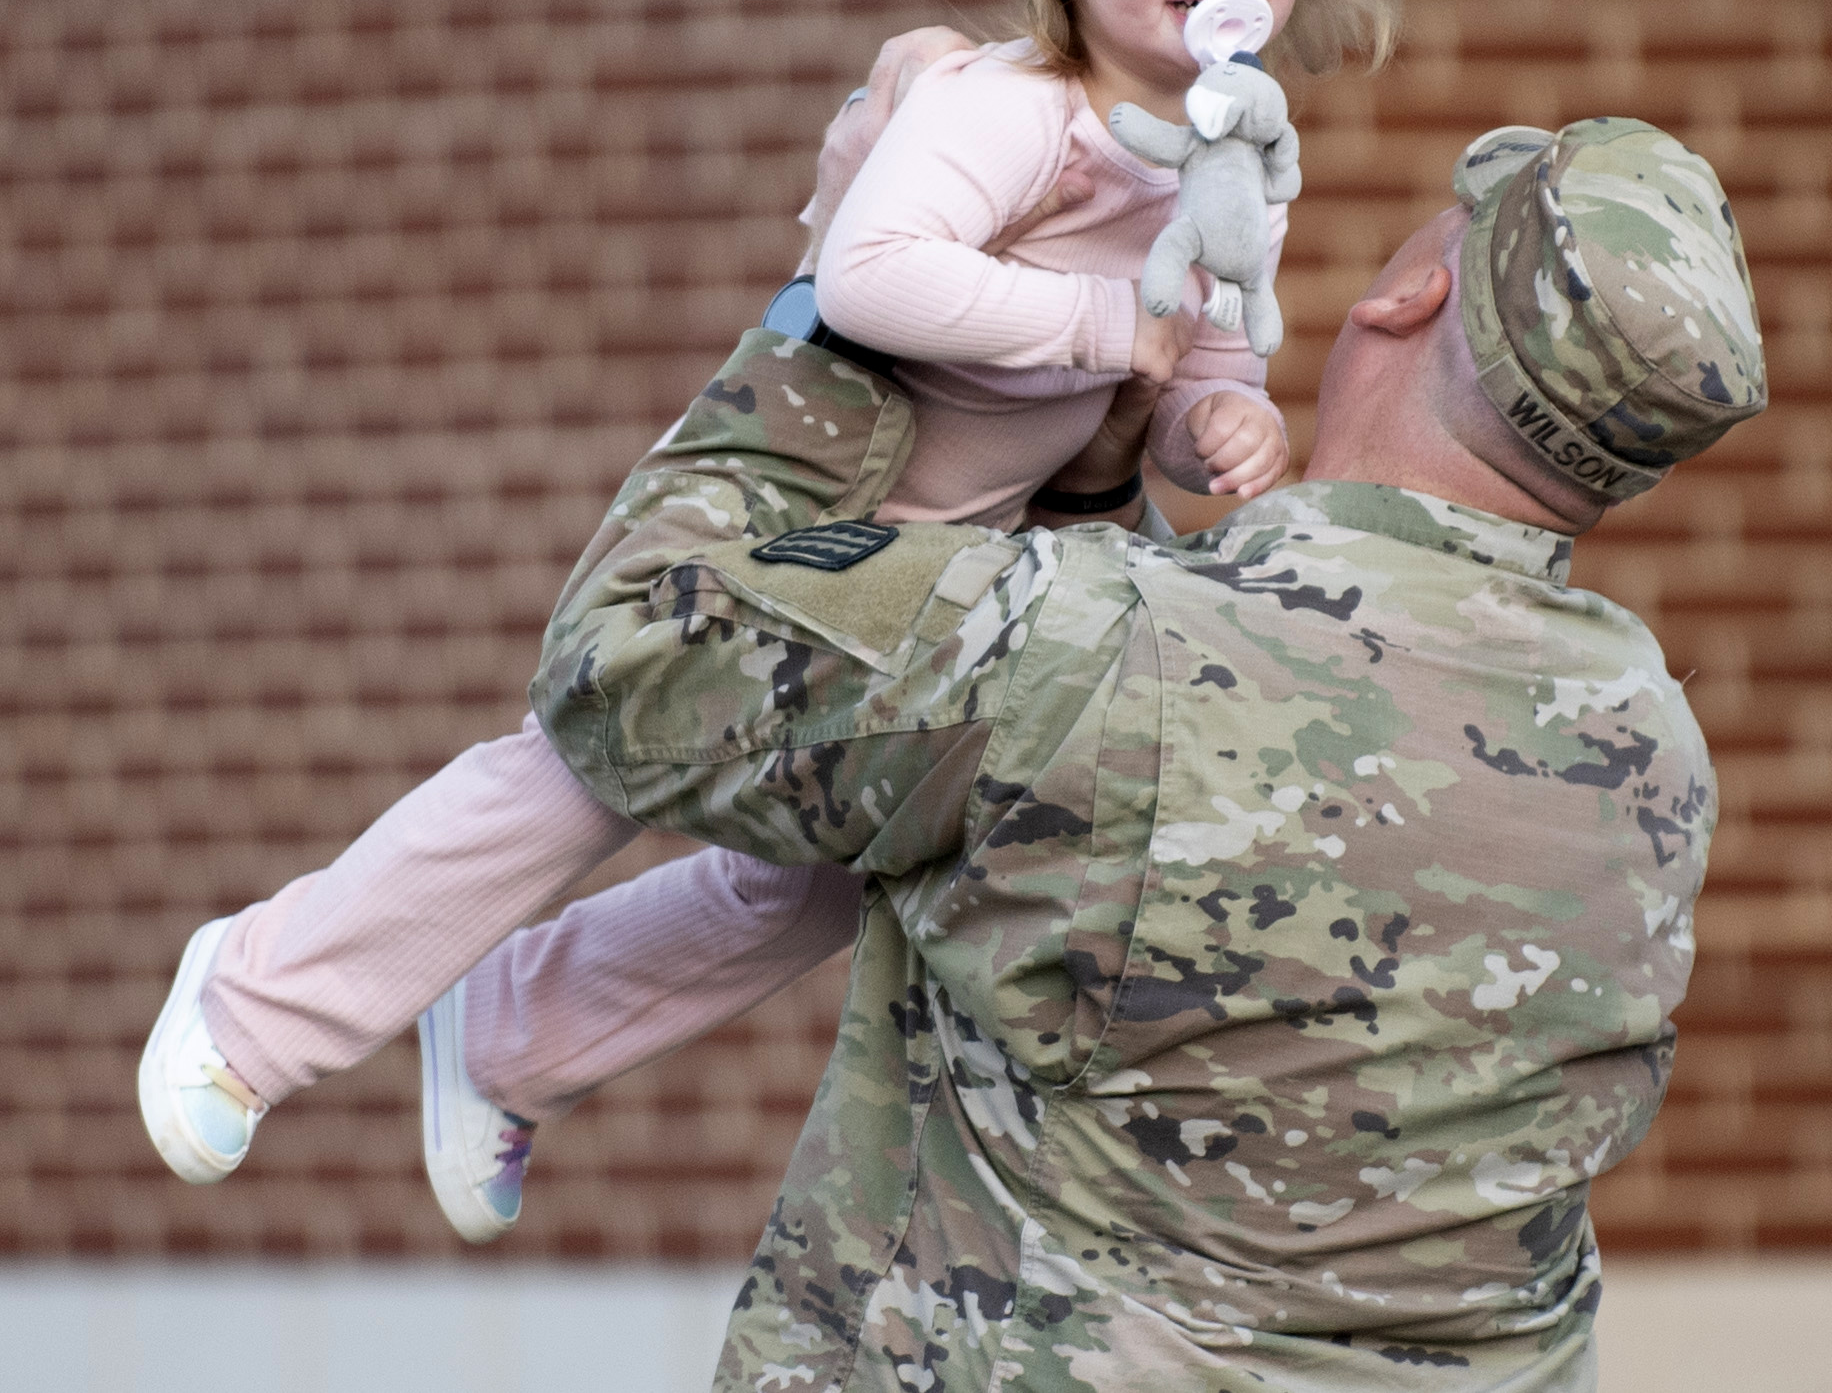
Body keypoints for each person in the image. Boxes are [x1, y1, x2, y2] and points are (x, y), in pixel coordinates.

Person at [137, 0, 1423, 1244]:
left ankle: (512, 1035)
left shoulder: (1235, 160)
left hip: (931, 568)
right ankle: (263, 996)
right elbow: (878, 275)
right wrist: (1103, 324)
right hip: (787, 493)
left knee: (831, 868)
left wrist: (1230, 429)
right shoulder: (1009, 109)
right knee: (598, 747)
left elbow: (1202, 367)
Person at [525, 113, 1766, 1389]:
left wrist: (838, 317)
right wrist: (1090, 505)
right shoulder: (1646, 745)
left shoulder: (1090, 646)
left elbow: (613, 665)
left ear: (1410, 293)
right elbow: (1260, 758)